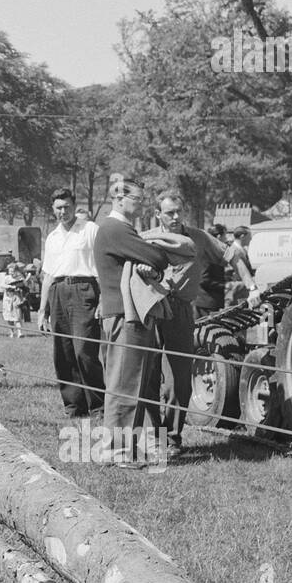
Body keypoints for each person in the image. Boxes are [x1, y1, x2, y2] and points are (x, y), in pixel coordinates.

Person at [93, 175, 170, 466]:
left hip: (126, 313)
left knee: (132, 382)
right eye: (137, 199)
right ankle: (116, 451)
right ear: (119, 198)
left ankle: (127, 447)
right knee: (125, 384)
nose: (141, 205)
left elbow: (151, 263)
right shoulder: (116, 229)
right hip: (125, 315)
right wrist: (154, 259)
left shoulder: (119, 230)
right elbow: (158, 257)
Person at [149, 193, 228, 452]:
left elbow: (229, 255)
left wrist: (250, 285)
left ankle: (172, 437)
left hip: (181, 311)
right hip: (150, 308)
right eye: (169, 212)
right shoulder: (147, 238)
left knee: (178, 378)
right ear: (158, 213)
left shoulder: (199, 237)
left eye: (178, 211)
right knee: (147, 375)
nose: (174, 217)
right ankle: (153, 433)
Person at [39, 188, 104, 419]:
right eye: (58, 207)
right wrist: (41, 310)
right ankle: (74, 407)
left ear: (74, 205)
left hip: (84, 290)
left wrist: (103, 299)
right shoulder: (53, 236)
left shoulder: (90, 229)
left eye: (66, 206)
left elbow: (102, 269)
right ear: (53, 209)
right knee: (63, 353)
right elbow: (47, 276)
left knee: (84, 351)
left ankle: (98, 406)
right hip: (58, 292)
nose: (63, 211)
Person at [197, 223, 228, 313]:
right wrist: (225, 285)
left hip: (210, 301)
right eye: (224, 236)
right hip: (206, 302)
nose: (226, 239)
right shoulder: (208, 253)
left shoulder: (214, 251)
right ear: (218, 237)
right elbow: (203, 280)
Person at [225, 225, 259, 304]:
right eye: (249, 236)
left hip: (243, 290)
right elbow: (232, 273)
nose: (251, 239)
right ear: (242, 236)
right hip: (236, 292)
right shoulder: (233, 251)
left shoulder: (242, 250)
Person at [1, 261, 29, 337]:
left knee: (17, 316)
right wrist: (10, 287)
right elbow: (2, 286)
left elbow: (25, 286)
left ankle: (20, 332)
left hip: (16, 299)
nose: (11, 273)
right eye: (10, 271)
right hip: (7, 299)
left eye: (13, 271)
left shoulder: (20, 278)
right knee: (9, 317)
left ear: (16, 271)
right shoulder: (7, 278)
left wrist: (20, 289)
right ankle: (12, 332)